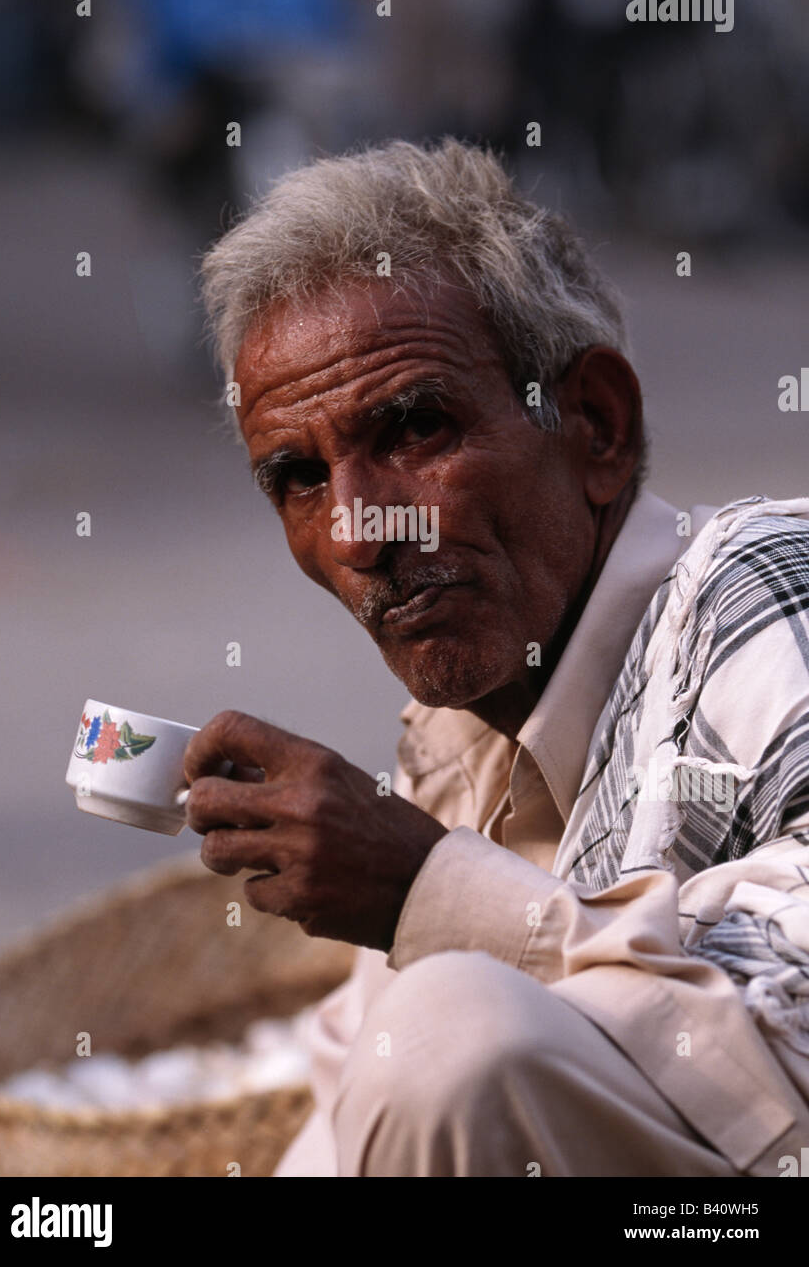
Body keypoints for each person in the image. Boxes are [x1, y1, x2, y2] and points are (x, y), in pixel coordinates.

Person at [187, 138, 809, 1176]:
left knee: (454, 1032)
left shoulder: (758, 594)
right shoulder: (452, 748)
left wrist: (430, 896)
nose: (355, 534)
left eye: (415, 427)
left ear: (595, 427)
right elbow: (340, 1135)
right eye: (298, 476)